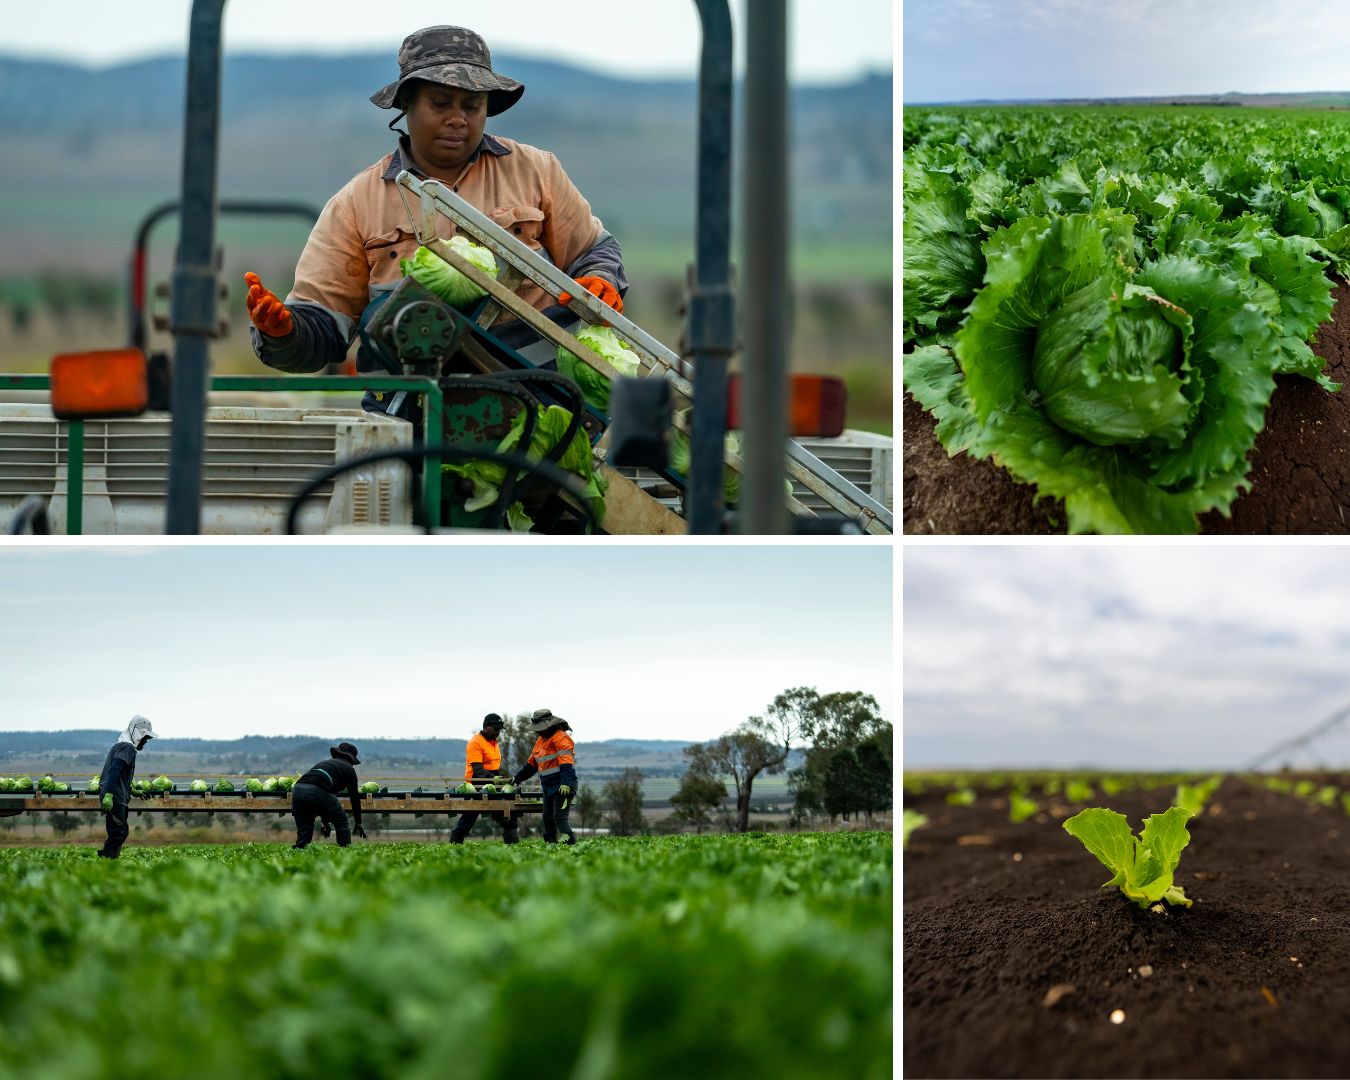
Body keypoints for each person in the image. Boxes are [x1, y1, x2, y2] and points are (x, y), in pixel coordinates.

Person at [245, 24, 628, 421]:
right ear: (406, 103)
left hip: (537, 405)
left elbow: (593, 251)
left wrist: (600, 279)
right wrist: (284, 331)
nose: (457, 119)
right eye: (441, 103)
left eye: (471, 106)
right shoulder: (356, 203)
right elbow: (323, 327)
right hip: (411, 412)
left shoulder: (536, 171)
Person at [449, 713, 519, 845]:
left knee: (508, 813)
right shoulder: (475, 742)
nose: (498, 732)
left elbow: (492, 765)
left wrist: (496, 779)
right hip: (476, 784)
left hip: (492, 782)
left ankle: (513, 843)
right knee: (468, 818)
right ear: (486, 727)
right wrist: (493, 779)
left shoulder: (493, 742)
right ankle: (455, 844)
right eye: (495, 729)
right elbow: (478, 769)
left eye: (499, 730)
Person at [512, 708, 577, 845]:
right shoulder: (541, 741)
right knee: (547, 818)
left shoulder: (561, 737)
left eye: (539, 728)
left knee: (559, 819)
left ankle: (571, 846)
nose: (537, 731)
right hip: (548, 787)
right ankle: (550, 846)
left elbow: (566, 763)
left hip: (562, 786)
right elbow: (531, 765)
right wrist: (516, 779)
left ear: (549, 724)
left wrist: (565, 783)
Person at [95, 715, 156, 859]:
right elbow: (115, 770)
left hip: (117, 795)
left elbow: (120, 775)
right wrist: (109, 794)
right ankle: (105, 861)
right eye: (145, 738)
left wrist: (132, 790)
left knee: (121, 832)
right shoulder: (127, 748)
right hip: (114, 796)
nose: (145, 742)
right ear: (137, 734)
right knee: (118, 833)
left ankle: (109, 860)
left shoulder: (122, 746)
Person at [291, 742, 367, 849]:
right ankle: (345, 853)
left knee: (304, 833)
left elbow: (325, 802)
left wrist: (325, 823)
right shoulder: (349, 770)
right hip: (318, 790)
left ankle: (296, 856)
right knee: (342, 822)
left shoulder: (323, 764)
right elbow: (354, 798)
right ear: (351, 759)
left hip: (298, 790)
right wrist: (358, 822)